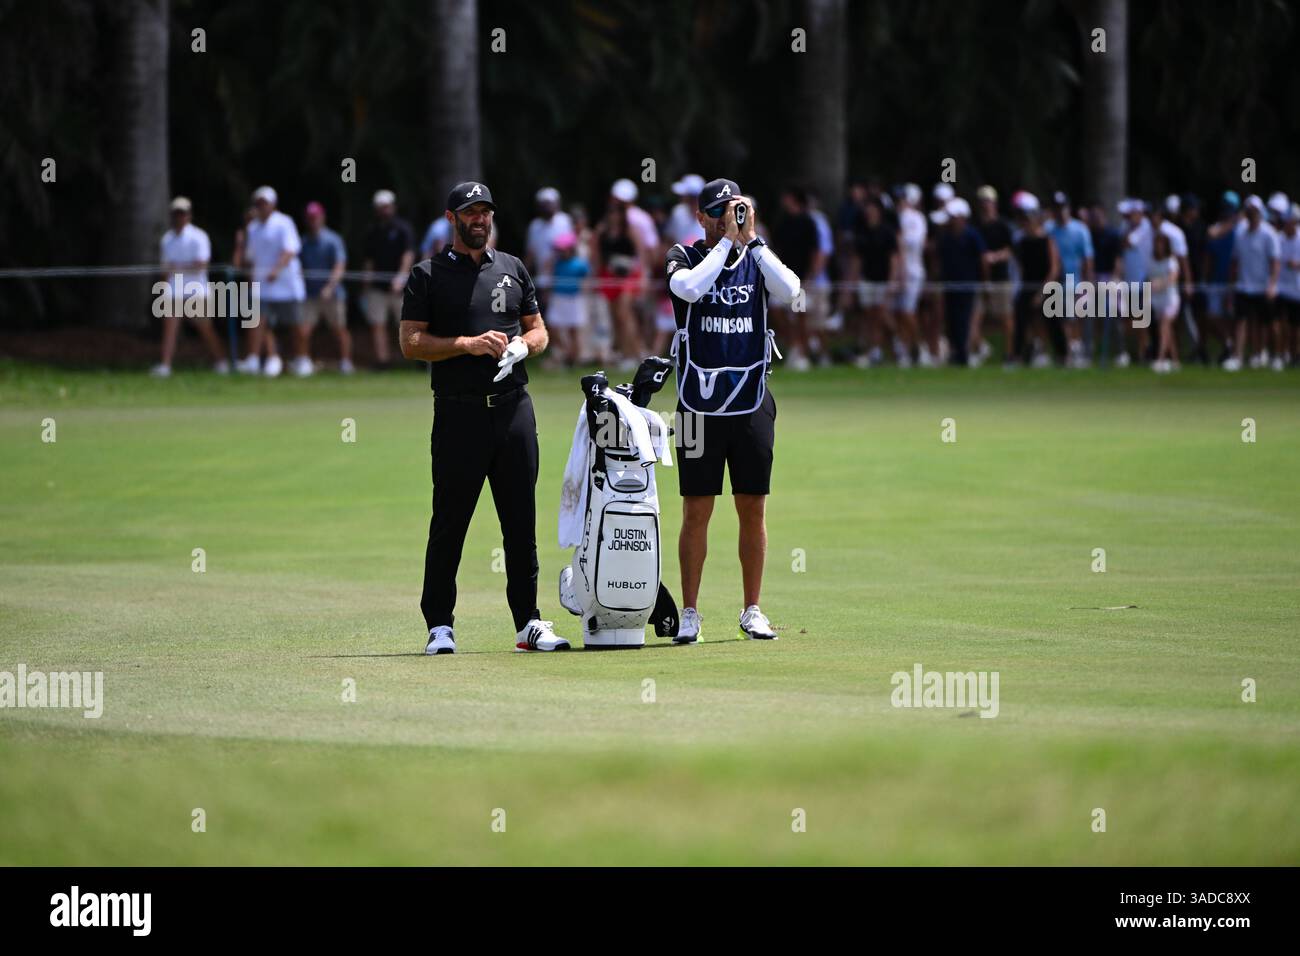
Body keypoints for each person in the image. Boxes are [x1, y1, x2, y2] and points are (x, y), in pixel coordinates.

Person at [397, 181, 567, 654]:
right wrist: (466, 346)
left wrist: (522, 346)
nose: (480, 220)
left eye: (485, 212)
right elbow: (410, 343)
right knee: (450, 521)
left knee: (520, 521)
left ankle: (528, 622)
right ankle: (439, 626)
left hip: (514, 411)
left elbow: (540, 332)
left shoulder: (512, 268)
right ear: (451, 219)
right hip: (459, 416)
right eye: (470, 213)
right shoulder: (427, 274)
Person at [664, 178, 800, 644]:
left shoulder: (757, 255)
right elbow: (688, 291)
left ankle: (752, 608)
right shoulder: (684, 255)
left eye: (734, 208)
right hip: (697, 405)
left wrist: (753, 242)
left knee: (753, 507)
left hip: (751, 400)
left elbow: (791, 290)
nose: (728, 216)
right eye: (718, 211)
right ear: (700, 217)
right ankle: (689, 611)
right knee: (696, 510)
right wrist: (725, 245)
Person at [151, 196, 228, 377]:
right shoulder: (167, 239)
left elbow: (201, 264)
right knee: (169, 328)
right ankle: (165, 365)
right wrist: (162, 288)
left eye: (183, 214)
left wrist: (177, 267)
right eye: (176, 214)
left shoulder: (198, 236)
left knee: (204, 328)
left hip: (196, 289)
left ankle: (221, 361)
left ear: (189, 215)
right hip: (173, 289)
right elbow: (165, 268)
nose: (179, 217)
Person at [236, 185, 304, 377]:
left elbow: (290, 250)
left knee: (295, 325)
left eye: (264, 203)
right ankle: (253, 359)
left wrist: (276, 270)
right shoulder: (253, 227)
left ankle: (301, 359)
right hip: (262, 286)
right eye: (258, 203)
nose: (261, 207)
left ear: (272, 205)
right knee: (257, 322)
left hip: (287, 284)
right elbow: (250, 259)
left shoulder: (284, 223)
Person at [296, 201, 352, 376]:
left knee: (339, 329)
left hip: (333, 294)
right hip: (310, 294)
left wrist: (329, 287)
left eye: (316, 217)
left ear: (322, 218)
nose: (313, 221)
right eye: (310, 218)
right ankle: (304, 362)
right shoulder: (303, 241)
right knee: (304, 330)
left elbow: (339, 266)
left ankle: (345, 363)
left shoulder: (333, 240)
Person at [361, 189, 415, 368]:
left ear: (393, 207)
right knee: (378, 324)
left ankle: (414, 360)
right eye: (381, 207)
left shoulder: (402, 228)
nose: (385, 210)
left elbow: (408, 254)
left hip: (400, 286)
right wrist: (366, 282)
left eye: (387, 207)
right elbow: (369, 259)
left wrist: (401, 276)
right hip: (378, 286)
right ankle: (383, 361)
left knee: (406, 325)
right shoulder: (372, 230)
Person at [1225, 195, 1280, 371]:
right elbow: (1235, 260)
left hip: (1263, 286)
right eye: (1249, 211)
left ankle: (1270, 355)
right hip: (1244, 285)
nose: (1251, 214)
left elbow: (1275, 262)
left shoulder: (1268, 233)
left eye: (1254, 211)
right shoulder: (1240, 232)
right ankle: (1238, 357)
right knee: (1240, 322)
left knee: (1266, 323)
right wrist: (1232, 284)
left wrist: (1272, 284)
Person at [591, 199, 649, 366]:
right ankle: (625, 353)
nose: (613, 216)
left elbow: (641, 254)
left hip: (629, 275)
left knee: (625, 312)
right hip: (610, 276)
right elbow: (597, 257)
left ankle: (638, 352)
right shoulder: (602, 232)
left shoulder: (629, 230)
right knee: (616, 316)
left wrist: (644, 276)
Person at [771, 186, 821, 370]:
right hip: (783, 277)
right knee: (777, 311)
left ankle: (801, 352)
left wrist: (811, 275)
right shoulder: (783, 222)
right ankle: (793, 345)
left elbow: (816, 250)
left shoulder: (808, 221)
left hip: (801, 279)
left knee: (799, 315)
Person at [1009, 191, 1062, 365]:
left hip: (1048, 286)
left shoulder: (1047, 239)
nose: (1024, 222)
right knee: (1021, 321)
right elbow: (1019, 266)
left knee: (1054, 322)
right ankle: (1017, 356)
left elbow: (1054, 269)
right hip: (1027, 286)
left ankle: (1063, 356)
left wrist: (1042, 292)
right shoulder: (1021, 241)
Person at [1045, 192, 1095, 367]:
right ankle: (1067, 351)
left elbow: (1087, 258)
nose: (1059, 212)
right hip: (1057, 282)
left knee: (1075, 317)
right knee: (1062, 318)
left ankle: (1075, 348)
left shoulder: (1080, 229)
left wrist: (1088, 283)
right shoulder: (1049, 228)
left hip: (1076, 280)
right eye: (1056, 209)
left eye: (1062, 208)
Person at [936, 197, 987, 366]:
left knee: (964, 320)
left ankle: (964, 354)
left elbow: (982, 260)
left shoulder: (972, 235)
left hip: (968, 285)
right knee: (952, 320)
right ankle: (955, 353)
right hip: (950, 285)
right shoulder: (946, 237)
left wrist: (984, 281)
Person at [970, 185, 1013, 366]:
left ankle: (1009, 356)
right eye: (983, 202)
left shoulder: (1002, 225)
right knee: (973, 319)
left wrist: (994, 257)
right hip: (979, 279)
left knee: (1005, 319)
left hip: (1000, 278)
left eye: (989, 201)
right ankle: (980, 348)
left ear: (994, 203)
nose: (986, 205)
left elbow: (1010, 250)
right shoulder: (975, 226)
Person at [545, 231, 588, 367]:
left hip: (573, 299)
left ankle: (575, 359)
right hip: (558, 298)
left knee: (573, 330)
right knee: (552, 326)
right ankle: (566, 352)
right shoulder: (556, 263)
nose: (560, 252)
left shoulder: (579, 264)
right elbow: (550, 276)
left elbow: (587, 281)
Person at [1149, 231, 1181, 373]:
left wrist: (1160, 284)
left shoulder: (1171, 261)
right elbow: (1149, 279)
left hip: (1170, 300)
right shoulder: (1152, 261)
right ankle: (1175, 361)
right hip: (1157, 300)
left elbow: (1172, 279)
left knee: (1164, 325)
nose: (1159, 247)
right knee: (1167, 331)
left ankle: (1160, 359)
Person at [1276, 204, 1300, 368]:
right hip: (1281, 288)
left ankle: (1296, 355)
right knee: (1281, 323)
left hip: (1298, 289)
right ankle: (1282, 354)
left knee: (1296, 327)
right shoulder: (1278, 238)